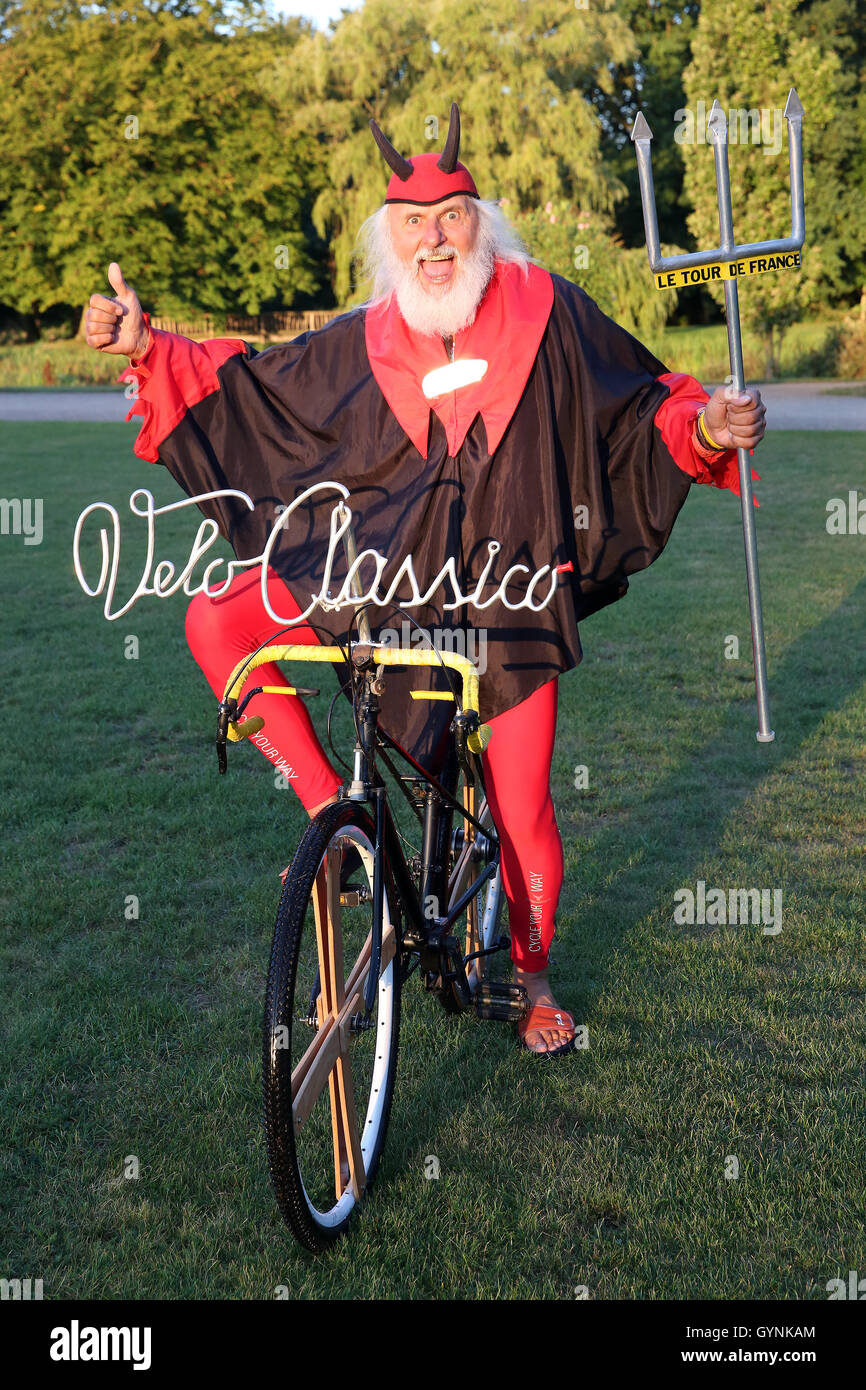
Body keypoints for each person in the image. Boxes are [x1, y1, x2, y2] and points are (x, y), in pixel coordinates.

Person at [84, 103, 767, 1057]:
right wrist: (147, 349)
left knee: (522, 802)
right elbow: (252, 383)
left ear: (478, 223)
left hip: (508, 600)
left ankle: (533, 980)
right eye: (413, 223)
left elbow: (642, 405)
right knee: (218, 625)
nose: (433, 239)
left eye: (450, 216)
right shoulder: (364, 337)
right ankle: (331, 813)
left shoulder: (548, 312)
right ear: (390, 238)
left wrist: (706, 429)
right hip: (380, 582)